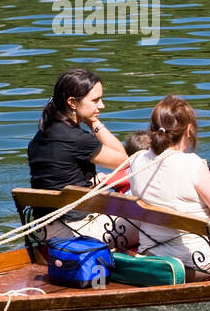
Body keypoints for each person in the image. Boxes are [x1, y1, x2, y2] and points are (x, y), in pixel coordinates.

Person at [126, 96, 210, 274]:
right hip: (198, 261)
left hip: (150, 252)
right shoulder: (193, 164)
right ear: (188, 130)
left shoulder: (137, 160)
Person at [26, 68, 132, 244]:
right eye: (95, 100)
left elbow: (59, 178)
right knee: (150, 219)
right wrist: (95, 123)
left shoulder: (39, 137)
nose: (102, 106)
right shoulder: (77, 139)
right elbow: (123, 161)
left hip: (43, 231)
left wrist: (90, 182)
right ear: (72, 103)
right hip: (76, 233)